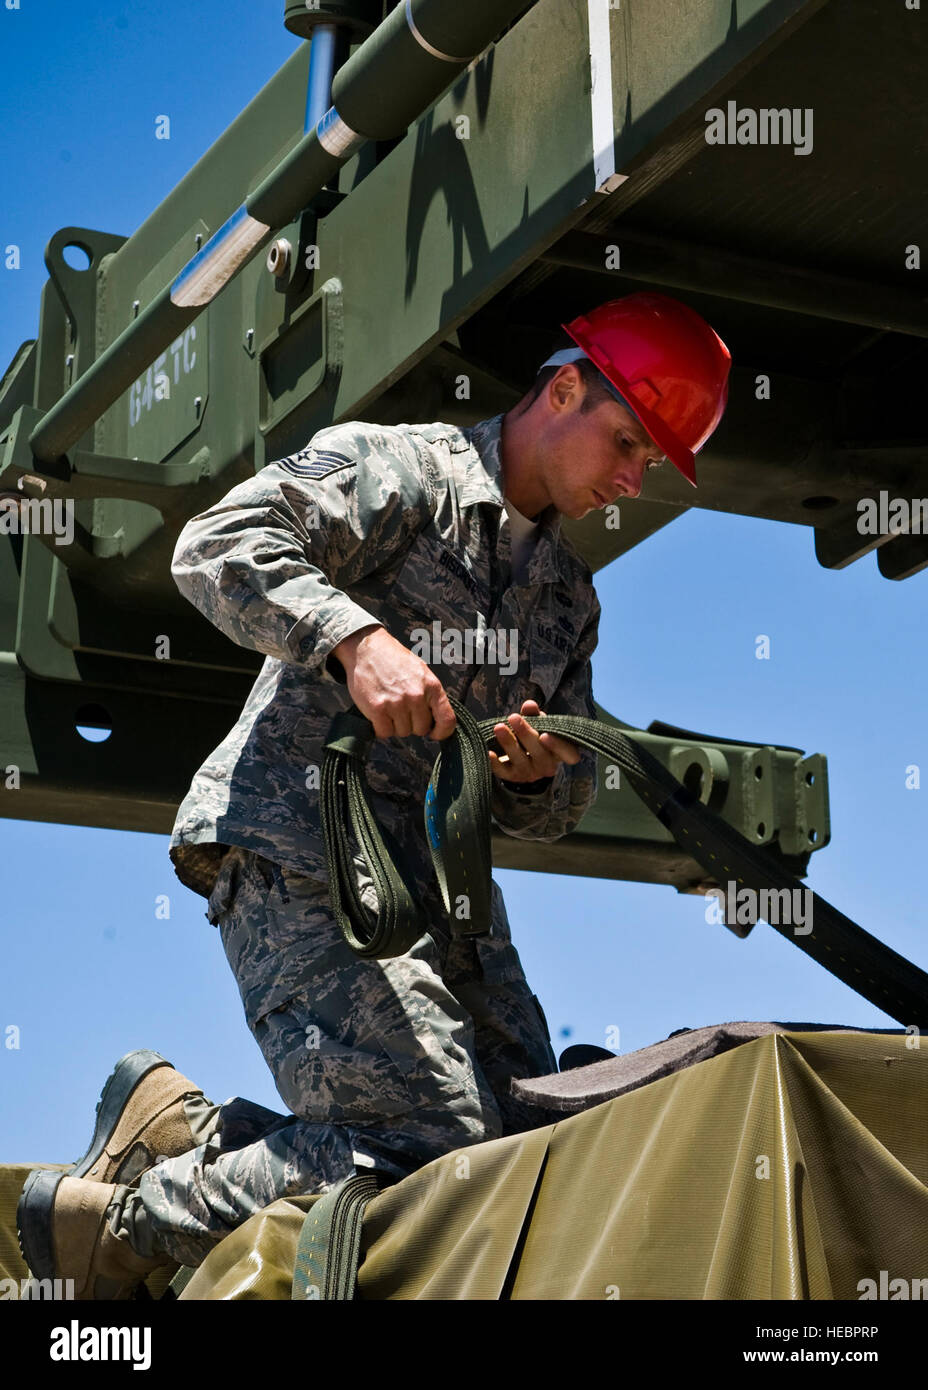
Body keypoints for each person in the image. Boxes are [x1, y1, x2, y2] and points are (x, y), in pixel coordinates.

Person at [17, 292, 731, 1298]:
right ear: (562, 389)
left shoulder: (569, 599)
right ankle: (118, 1225)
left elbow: (552, 806)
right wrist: (354, 639)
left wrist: (532, 778)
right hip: (296, 845)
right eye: (626, 441)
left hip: (437, 896)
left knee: (528, 1134)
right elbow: (214, 542)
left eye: (646, 462)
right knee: (430, 1139)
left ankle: (188, 1134)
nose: (629, 477)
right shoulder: (402, 473)